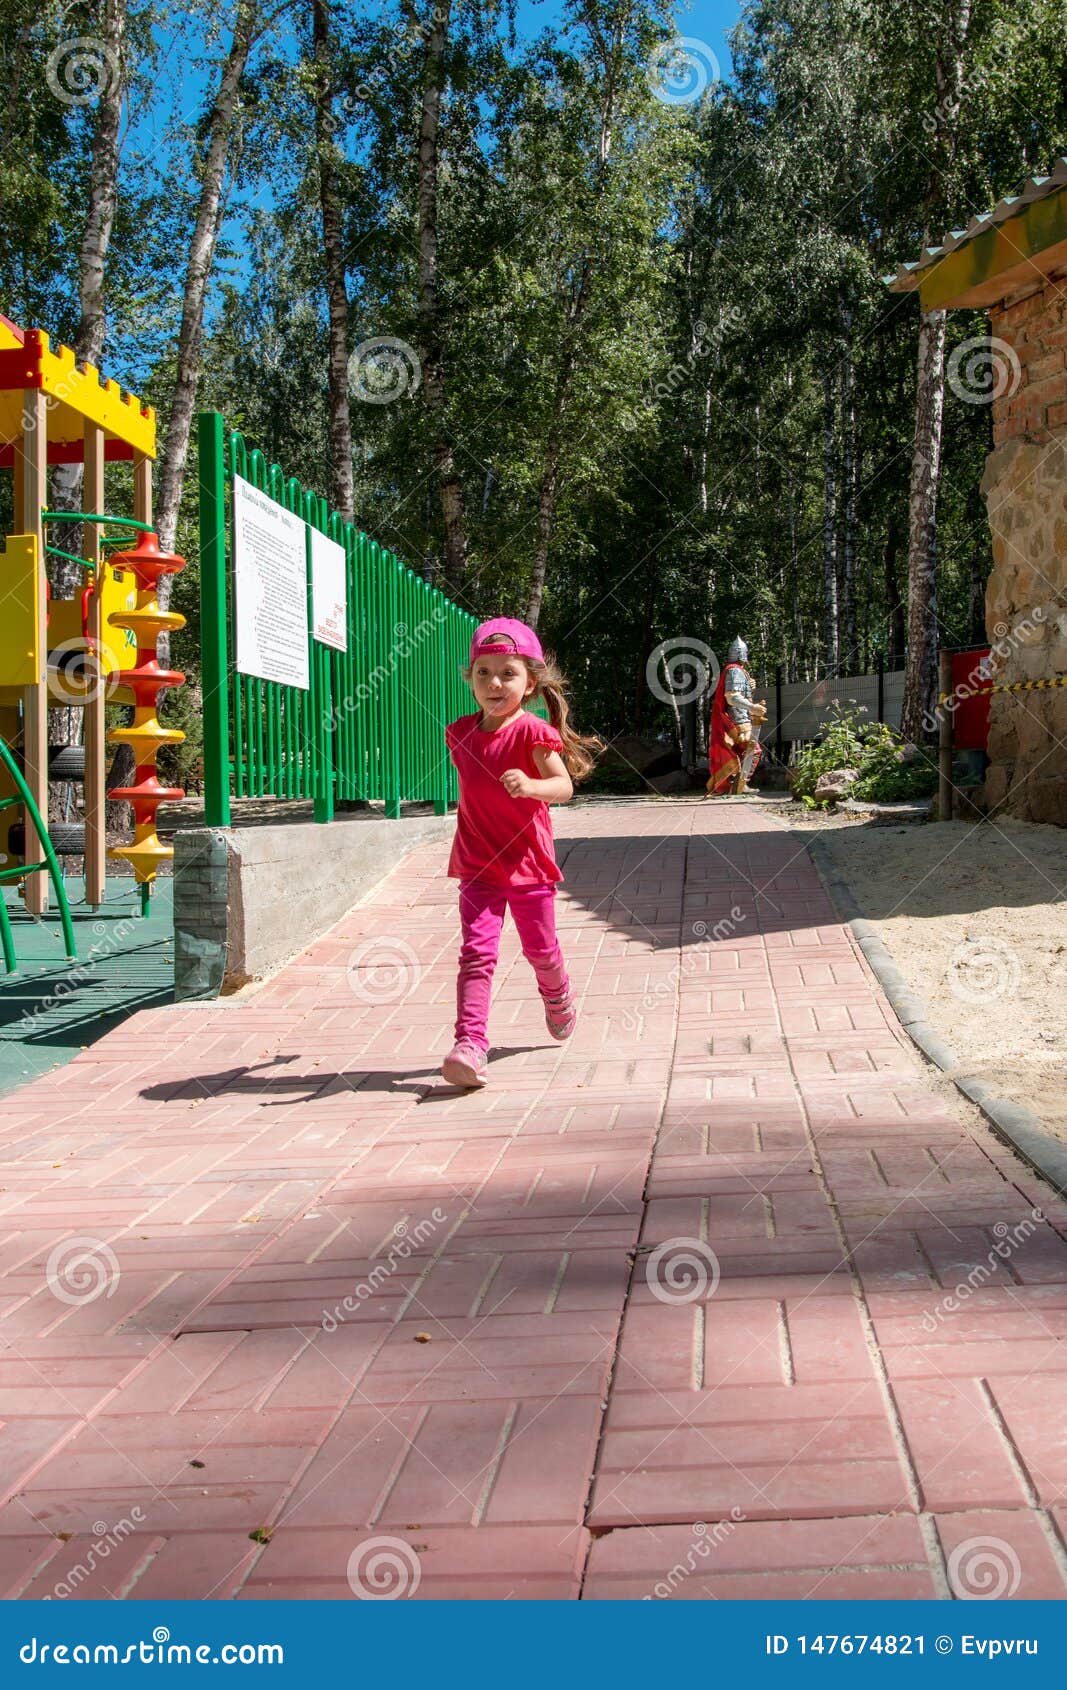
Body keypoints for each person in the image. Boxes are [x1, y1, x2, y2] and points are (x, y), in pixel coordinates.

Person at [441, 617, 602, 1089]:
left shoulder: (533, 733)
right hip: (476, 865)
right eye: (484, 672)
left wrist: (532, 786)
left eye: (507, 674)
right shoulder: (460, 733)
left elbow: (563, 786)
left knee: (541, 951)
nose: (494, 683)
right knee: (476, 954)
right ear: (471, 678)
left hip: (528, 865)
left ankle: (557, 993)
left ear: (529, 683)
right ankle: (470, 1044)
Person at [706, 634, 767, 796]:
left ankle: (734, 785)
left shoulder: (736, 671)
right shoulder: (735, 671)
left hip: (738, 719)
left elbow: (739, 695)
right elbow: (732, 697)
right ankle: (739, 785)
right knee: (754, 750)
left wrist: (750, 689)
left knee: (741, 753)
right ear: (743, 655)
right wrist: (752, 707)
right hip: (738, 721)